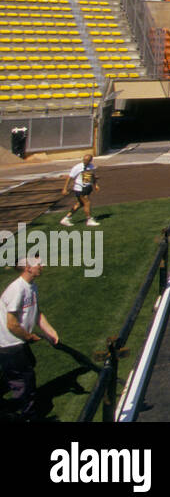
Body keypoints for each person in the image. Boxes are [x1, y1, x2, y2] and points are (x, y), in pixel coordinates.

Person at [0, 255, 59, 421]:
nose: (42, 267)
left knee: (25, 368)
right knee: (25, 380)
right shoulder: (17, 290)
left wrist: (50, 331)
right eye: (39, 265)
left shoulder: (32, 286)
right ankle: (29, 417)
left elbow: (37, 312)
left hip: (17, 342)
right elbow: (11, 324)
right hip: (9, 344)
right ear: (28, 268)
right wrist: (29, 337)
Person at [59, 152, 99, 227]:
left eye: (87, 160)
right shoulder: (77, 167)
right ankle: (89, 219)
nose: (85, 161)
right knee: (87, 203)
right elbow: (69, 177)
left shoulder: (91, 166)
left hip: (87, 188)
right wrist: (65, 188)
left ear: (90, 160)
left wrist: (95, 184)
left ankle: (66, 218)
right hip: (79, 189)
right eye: (84, 160)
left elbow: (92, 175)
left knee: (79, 204)